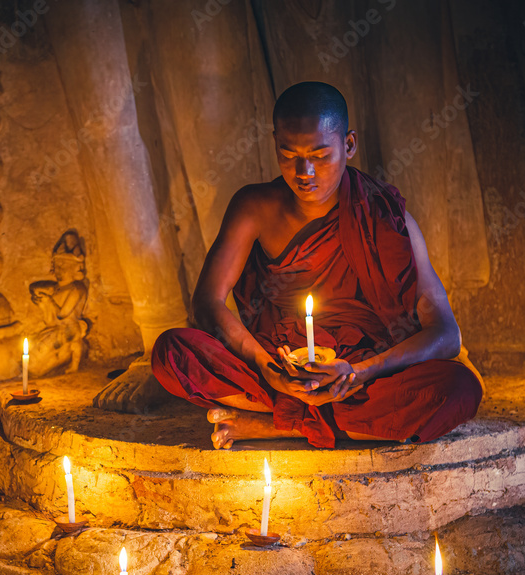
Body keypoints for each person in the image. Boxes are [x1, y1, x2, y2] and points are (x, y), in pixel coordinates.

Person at [151, 82, 483, 449]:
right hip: (277, 369)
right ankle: (326, 424)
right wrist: (266, 366)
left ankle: (275, 425)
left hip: (359, 378)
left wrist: (360, 372)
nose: (304, 171)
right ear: (275, 142)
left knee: (459, 388)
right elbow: (207, 302)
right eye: (288, 153)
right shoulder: (254, 207)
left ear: (349, 145)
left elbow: (447, 334)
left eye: (320, 155)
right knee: (172, 351)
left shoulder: (385, 217)